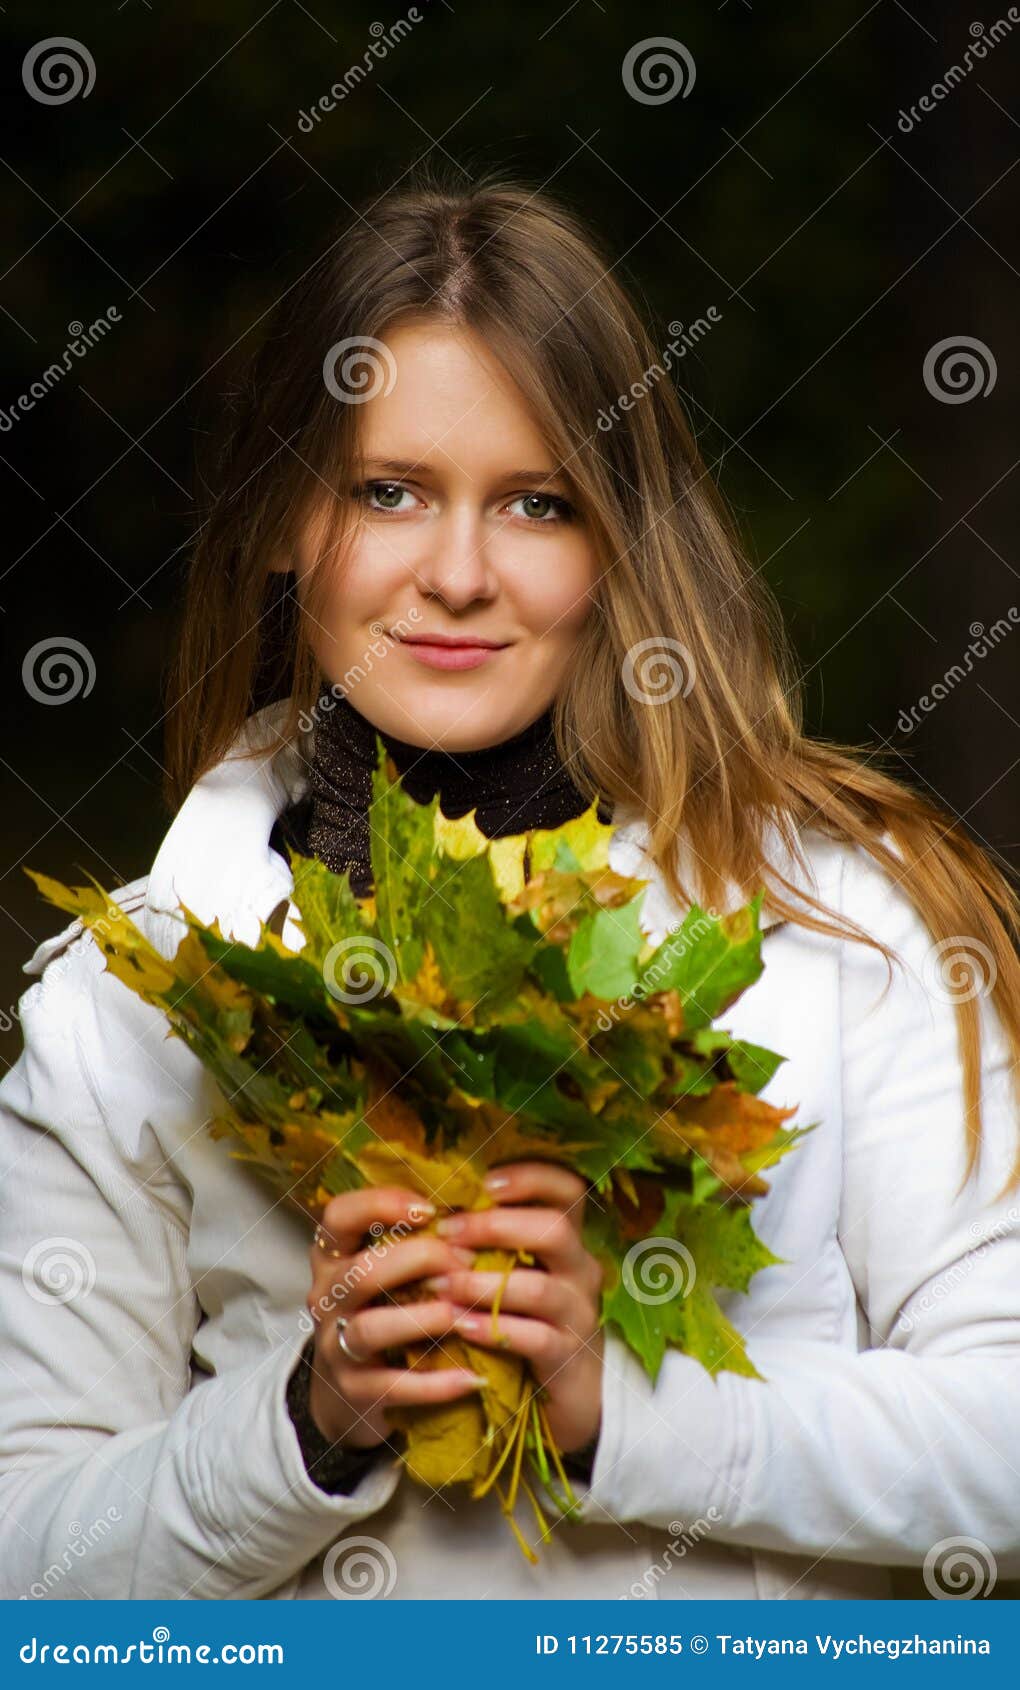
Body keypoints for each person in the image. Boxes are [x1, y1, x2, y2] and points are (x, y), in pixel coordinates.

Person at [1, 172, 1018, 1604]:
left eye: (537, 503)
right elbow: (27, 1570)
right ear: (291, 517)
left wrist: (631, 1409)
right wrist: (307, 1419)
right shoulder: (135, 998)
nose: (460, 573)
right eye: (389, 492)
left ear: (617, 538)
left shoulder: (838, 924)